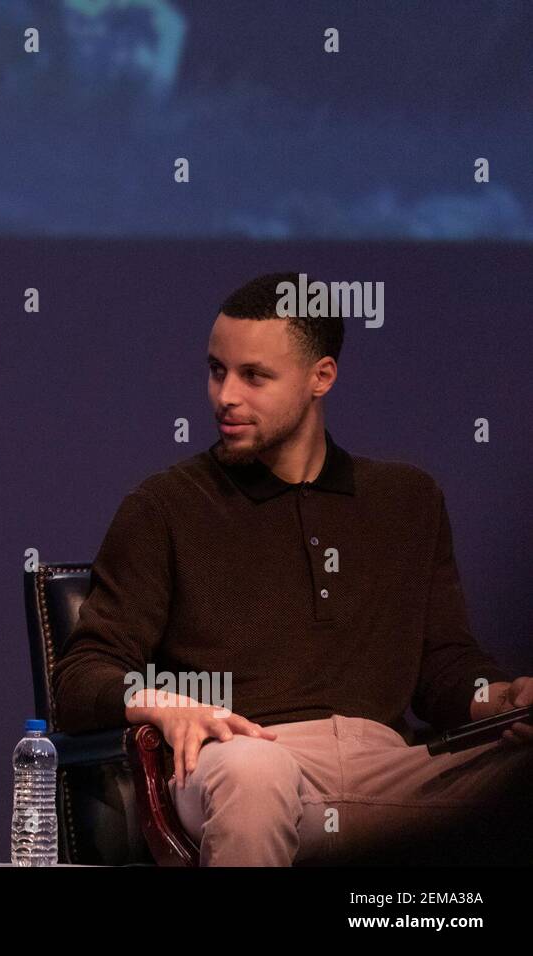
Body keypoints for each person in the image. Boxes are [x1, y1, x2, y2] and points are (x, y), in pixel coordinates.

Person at [53, 271, 533, 865]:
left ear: (320, 378)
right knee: (255, 776)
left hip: (390, 768)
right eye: (216, 370)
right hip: (244, 754)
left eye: (254, 376)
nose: (225, 395)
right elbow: (78, 679)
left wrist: (503, 697)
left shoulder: (407, 501)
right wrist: (162, 701)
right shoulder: (165, 508)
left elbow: (442, 668)